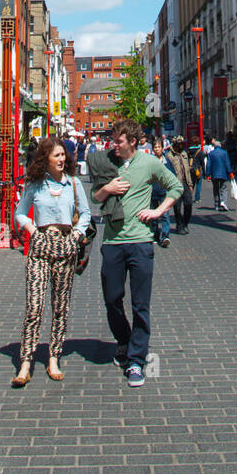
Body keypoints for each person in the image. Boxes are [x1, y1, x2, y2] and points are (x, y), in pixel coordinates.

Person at [93, 120, 182, 388]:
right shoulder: (108, 163)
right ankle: (124, 338)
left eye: (118, 141)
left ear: (132, 141)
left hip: (141, 241)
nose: (113, 145)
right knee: (112, 298)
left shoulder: (150, 163)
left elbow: (175, 187)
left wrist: (157, 212)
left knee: (140, 304)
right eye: (113, 140)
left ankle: (136, 359)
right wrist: (108, 189)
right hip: (112, 242)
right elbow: (96, 197)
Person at [12, 138, 91, 385]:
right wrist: (32, 230)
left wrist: (77, 234)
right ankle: (26, 361)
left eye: (63, 156)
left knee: (60, 307)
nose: (61, 159)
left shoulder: (74, 184)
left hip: (66, 245)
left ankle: (54, 357)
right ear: (46, 158)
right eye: (56, 155)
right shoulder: (35, 185)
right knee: (34, 305)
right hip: (40, 246)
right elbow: (20, 212)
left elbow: (86, 213)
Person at [150, 136, 176, 247]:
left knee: (165, 215)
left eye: (159, 147)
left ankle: (165, 236)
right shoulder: (150, 161)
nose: (157, 149)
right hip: (152, 192)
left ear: (162, 148)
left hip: (164, 192)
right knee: (154, 216)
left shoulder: (167, 162)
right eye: (155, 147)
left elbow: (172, 175)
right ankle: (155, 235)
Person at [166, 136, 194, 234]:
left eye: (182, 144)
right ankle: (179, 225)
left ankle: (185, 223)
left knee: (188, 204)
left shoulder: (184, 153)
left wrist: (190, 184)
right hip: (175, 185)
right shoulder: (169, 156)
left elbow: (187, 170)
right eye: (179, 144)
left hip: (185, 183)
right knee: (177, 208)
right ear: (175, 145)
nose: (181, 146)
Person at [206, 140, 234, 212]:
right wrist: (230, 172)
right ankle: (223, 202)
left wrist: (208, 175)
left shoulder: (211, 154)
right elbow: (227, 163)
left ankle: (216, 205)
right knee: (223, 188)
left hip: (214, 174)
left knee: (215, 189)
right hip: (223, 173)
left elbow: (208, 165)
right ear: (220, 146)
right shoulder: (224, 153)